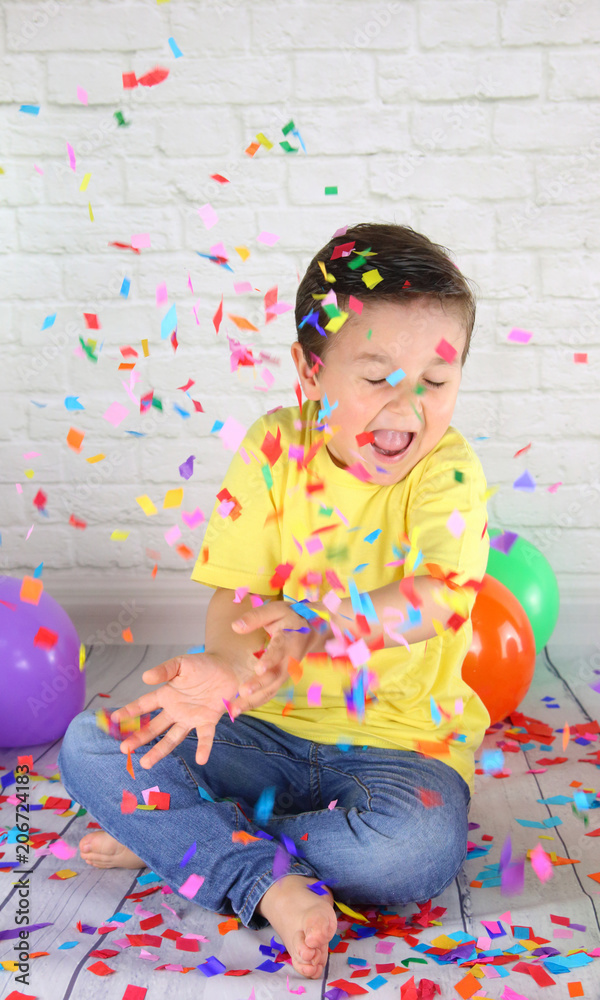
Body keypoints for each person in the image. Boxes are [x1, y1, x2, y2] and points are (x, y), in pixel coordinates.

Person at [58, 222, 491, 980]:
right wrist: (227, 663)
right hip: (261, 732)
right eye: (378, 375)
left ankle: (187, 840)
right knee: (92, 744)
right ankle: (249, 867)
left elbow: (436, 597)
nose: (408, 406)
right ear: (309, 369)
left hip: (400, 747)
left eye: (435, 380)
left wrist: (325, 625)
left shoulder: (447, 472)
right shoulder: (271, 447)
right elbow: (239, 597)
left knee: (410, 853)